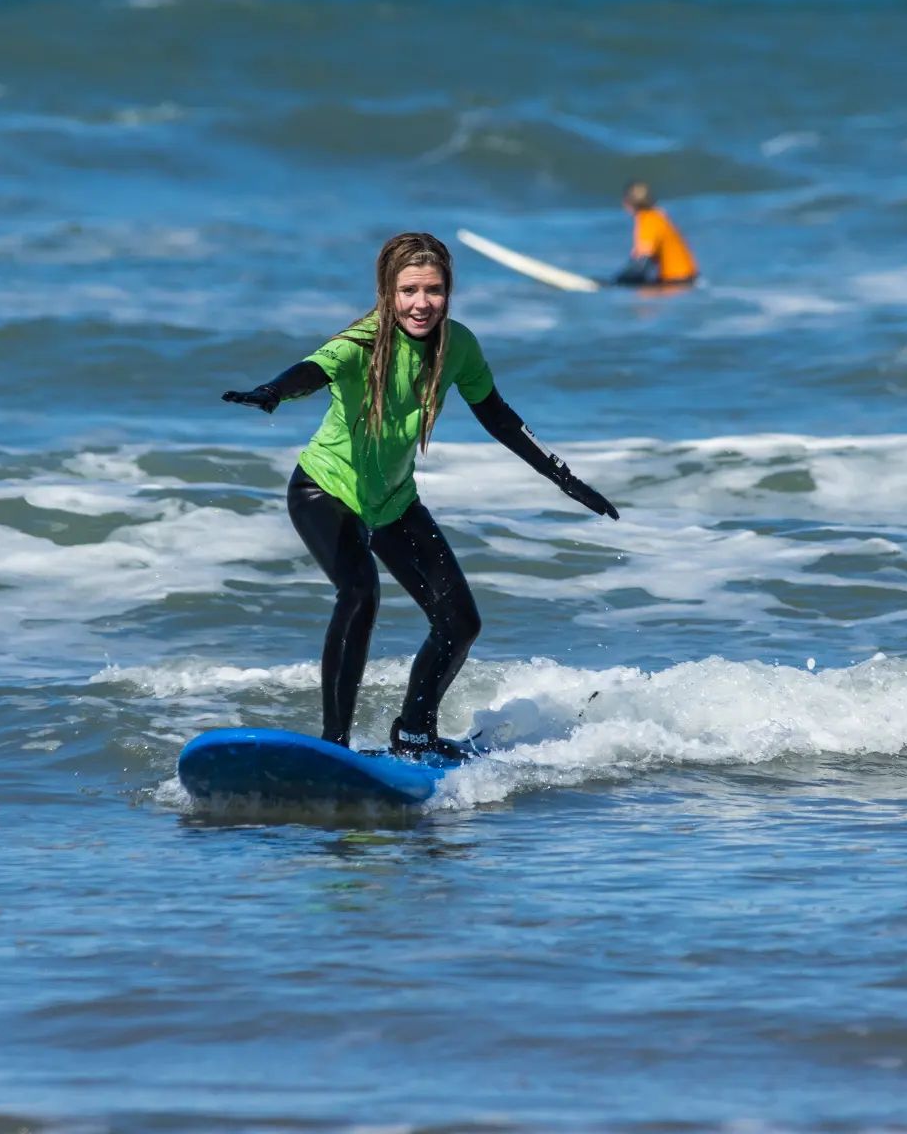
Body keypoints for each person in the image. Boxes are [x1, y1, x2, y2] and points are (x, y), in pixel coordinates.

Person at [222, 231, 619, 761]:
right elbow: (311, 371)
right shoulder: (359, 343)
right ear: (388, 293)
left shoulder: (459, 346)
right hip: (323, 490)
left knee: (460, 622)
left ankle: (414, 732)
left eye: (432, 290)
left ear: (448, 292)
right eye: (409, 290)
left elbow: (499, 417)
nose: (421, 303)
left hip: (392, 501)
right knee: (359, 593)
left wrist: (565, 477)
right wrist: (273, 391)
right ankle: (333, 746)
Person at [611, 181, 699, 287]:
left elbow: (642, 264)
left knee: (641, 298)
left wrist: (615, 283)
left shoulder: (648, 220)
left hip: (678, 283)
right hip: (689, 279)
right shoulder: (658, 216)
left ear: (628, 203)